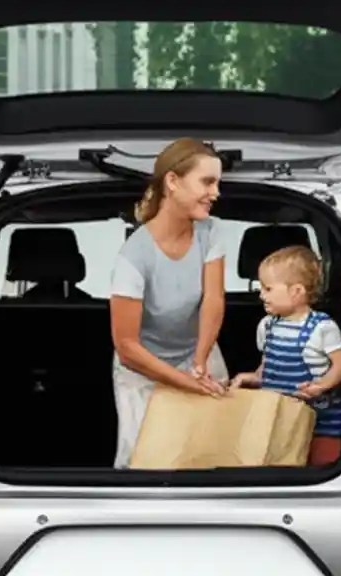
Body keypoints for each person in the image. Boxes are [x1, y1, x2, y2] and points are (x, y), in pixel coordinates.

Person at [109, 138, 229, 468]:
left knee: (213, 453)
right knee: (143, 460)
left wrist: (201, 362)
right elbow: (127, 346)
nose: (216, 193)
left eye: (218, 183)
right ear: (173, 182)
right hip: (143, 367)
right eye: (207, 182)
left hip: (198, 354)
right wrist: (185, 383)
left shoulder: (211, 231)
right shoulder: (134, 256)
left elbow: (213, 300)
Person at [230, 245, 341, 466]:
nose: (261, 295)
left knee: (321, 465)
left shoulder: (321, 327)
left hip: (320, 421)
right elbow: (269, 364)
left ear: (296, 291)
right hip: (280, 419)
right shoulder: (268, 326)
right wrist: (254, 377)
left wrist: (322, 385)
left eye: (268, 289)